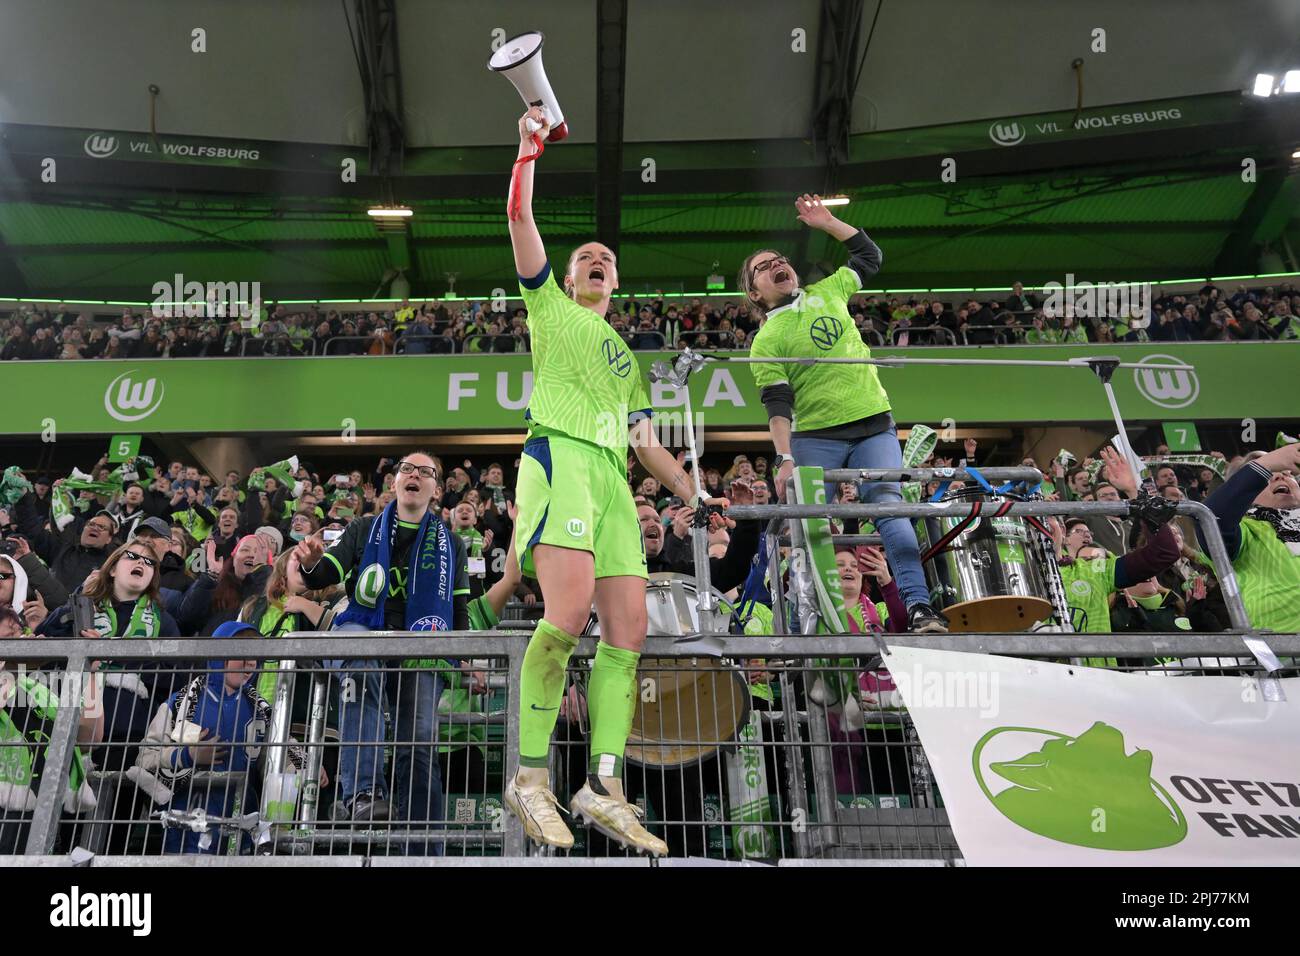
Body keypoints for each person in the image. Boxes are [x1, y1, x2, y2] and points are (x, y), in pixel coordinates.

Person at [502, 105, 725, 855]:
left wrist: (698, 495)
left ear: (617, 281)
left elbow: (646, 445)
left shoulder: (627, 358)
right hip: (559, 457)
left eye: (609, 259)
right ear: (569, 278)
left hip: (612, 482)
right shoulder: (551, 311)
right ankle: (530, 776)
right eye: (587, 257)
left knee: (628, 634)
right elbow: (518, 218)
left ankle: (602, 786)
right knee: (566, 617)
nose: (599, 261)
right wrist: (527, 153)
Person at [740, 193, 945, 634]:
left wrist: (829, 221)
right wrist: (785, 456)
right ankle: (815, 623)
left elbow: (869, 255)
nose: (777, 263)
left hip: (874, 425)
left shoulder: (828, 289)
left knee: (891, 508)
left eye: (779, 258)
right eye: (762, 266)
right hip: (816, 438)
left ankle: (920, 608)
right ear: (755, 292)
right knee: (810, 524)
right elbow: (779, 407)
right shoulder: (765, 341)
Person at [293, 452, 468, 847]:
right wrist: (311, 563)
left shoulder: (452, 543)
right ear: (394, 482)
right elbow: (325, 574)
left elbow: (458, 607)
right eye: (407, 469)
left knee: (418, 742)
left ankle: (423, 845)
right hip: (364, 629)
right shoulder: (362, 528)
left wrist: (464, 657)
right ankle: (362, 795)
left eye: (426, 473)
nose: (415, 476)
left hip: (423, 643)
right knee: (362, 659)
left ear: (436, 490)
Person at [1201, 443, 1300, 632]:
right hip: (1284, 653)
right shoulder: (1245, 530)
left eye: (1287, 473)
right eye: (1268, 475)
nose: (1279, 476)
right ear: (1243, 494)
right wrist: (1267, 463)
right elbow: (1211, 518)